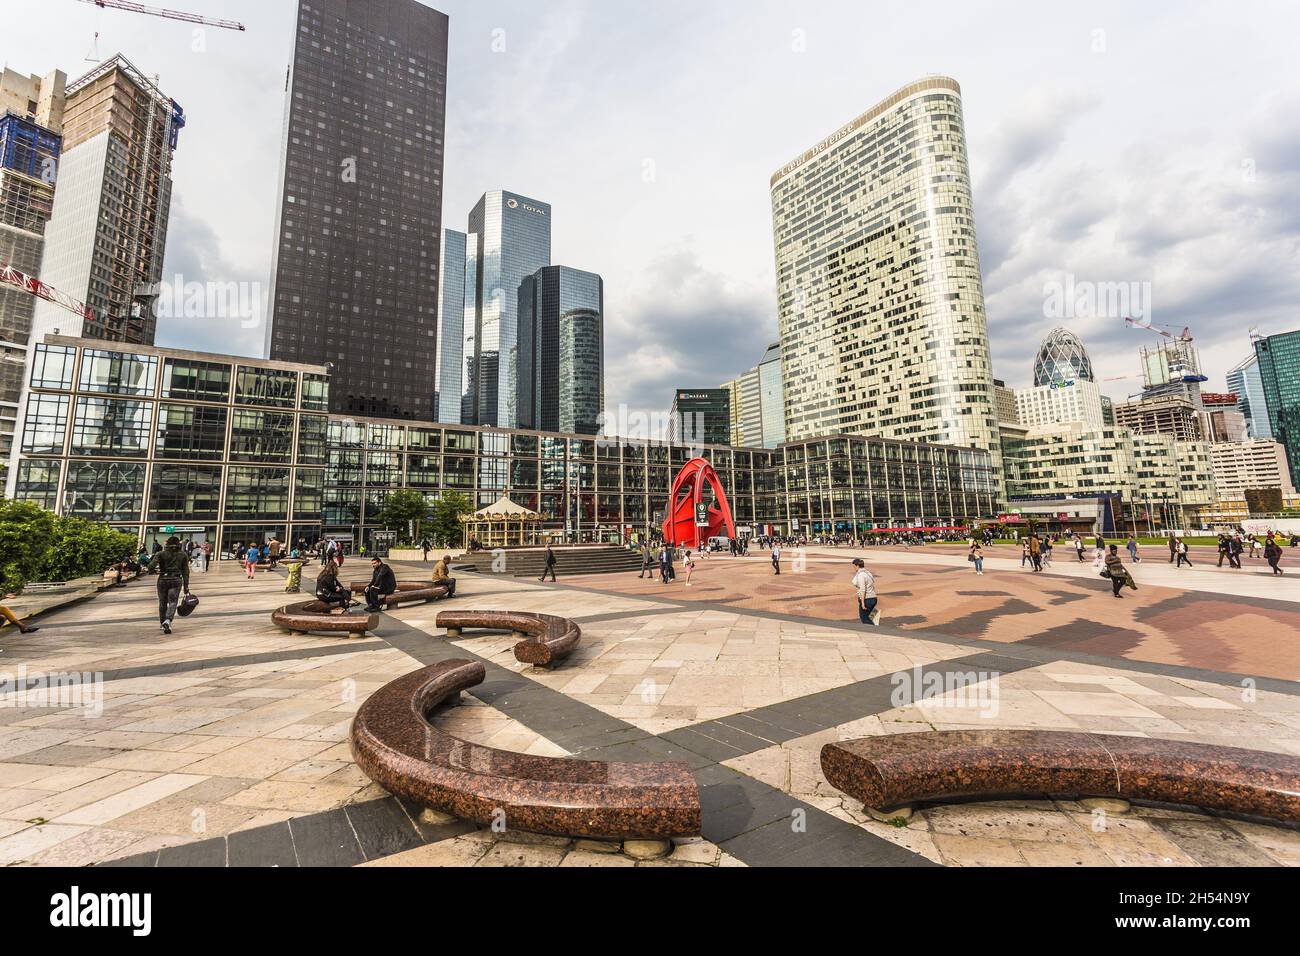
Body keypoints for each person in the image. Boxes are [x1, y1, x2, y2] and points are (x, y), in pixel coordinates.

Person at [147, 536, 191, 634]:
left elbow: (150, 566)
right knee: (173, 602)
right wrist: (186, 585)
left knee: (162, 603)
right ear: (178, 544)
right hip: (176, 579)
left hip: (163, 579)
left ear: (167, 544)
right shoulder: (183, 555)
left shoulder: (160, 554)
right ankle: (168, 620)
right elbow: (186, 571)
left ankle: (162, 623)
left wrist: (154, 569)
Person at [852, 558, 880, 625]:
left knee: (864, 619)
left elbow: (863, 589)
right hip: (873, 598)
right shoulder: (868, 573)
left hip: (867, 599)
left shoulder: (861, 575)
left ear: (857, 566)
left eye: (854, 566)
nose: (853, 568)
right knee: (871, 618)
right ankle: (876, 627)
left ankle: (875, 630)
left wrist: (862, 603)